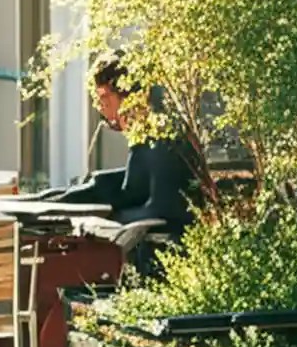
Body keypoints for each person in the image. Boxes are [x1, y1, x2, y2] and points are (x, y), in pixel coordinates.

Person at [47, 52, 197, 238]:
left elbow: (158, 204)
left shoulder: (160, 135)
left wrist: (105, 220)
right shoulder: (149, 135)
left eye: (105, 98)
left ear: (128, 96)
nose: (102, 108)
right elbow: (134, 185)